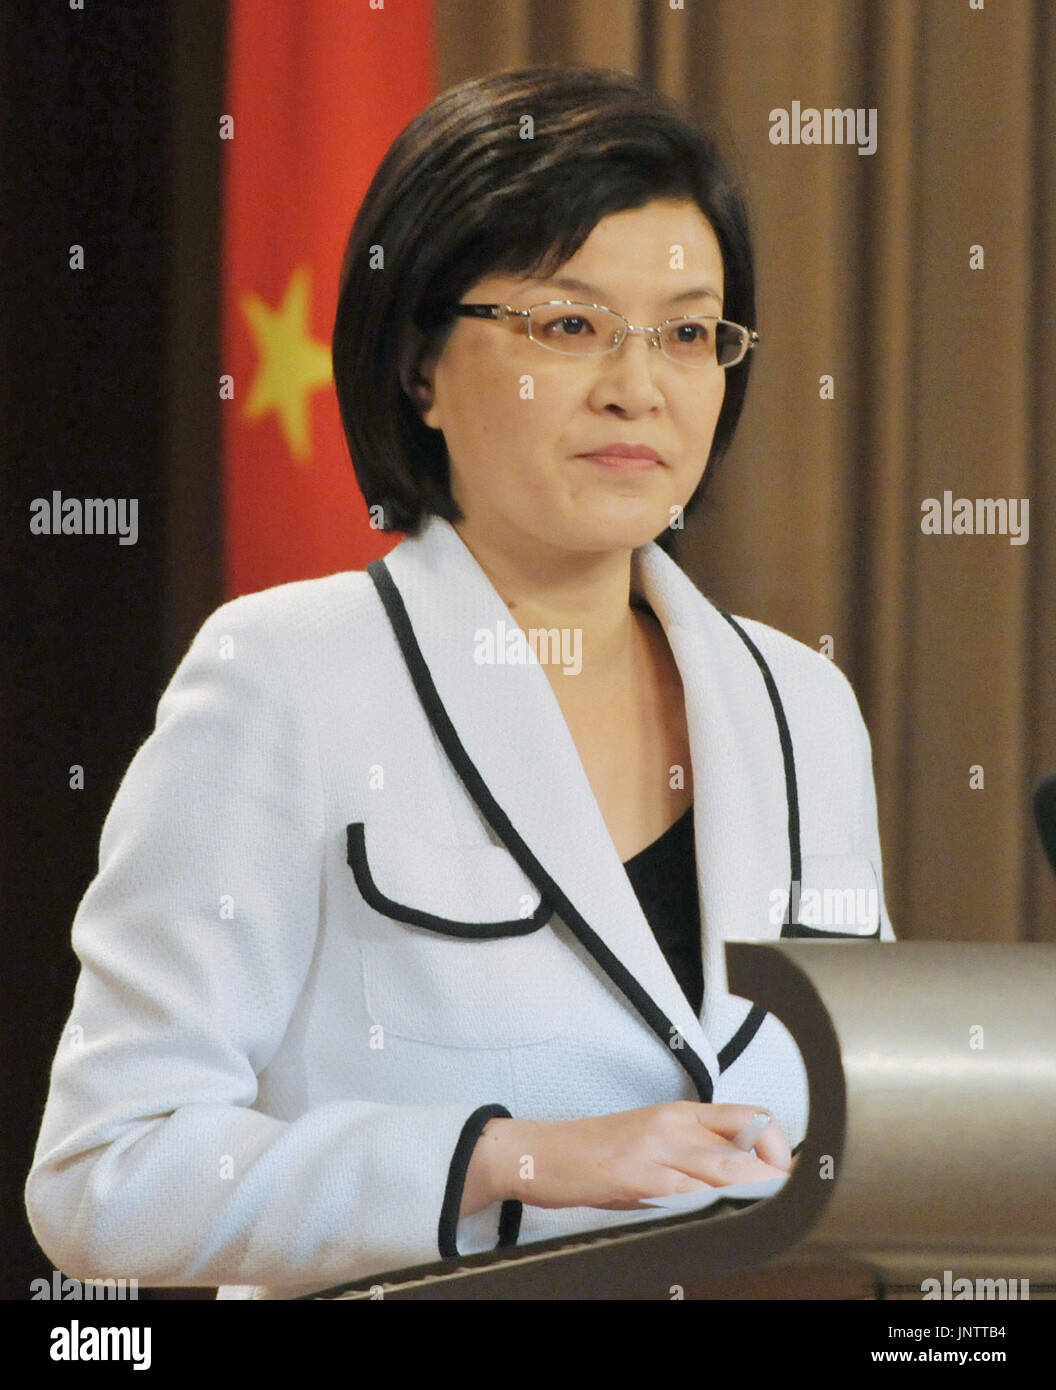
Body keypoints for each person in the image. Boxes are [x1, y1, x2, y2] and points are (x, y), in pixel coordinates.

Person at [24, 65, 894, 1301]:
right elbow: (105, 1174)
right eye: (568, 323)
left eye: (689, 332)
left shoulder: (802, 709)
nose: (637, 385)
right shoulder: (285, 676)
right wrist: (503, 1160)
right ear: (422, 362)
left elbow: (866, 1127)